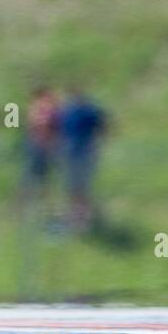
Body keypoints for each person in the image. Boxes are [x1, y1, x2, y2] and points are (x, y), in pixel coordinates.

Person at [59, 88, 109, 231]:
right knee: (74, 188)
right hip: (73, 153)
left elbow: (103, 128)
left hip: (83, 153)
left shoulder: (88, 112)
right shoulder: (70, 112)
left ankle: (81, 219)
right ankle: (77, 217)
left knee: (80, 188)